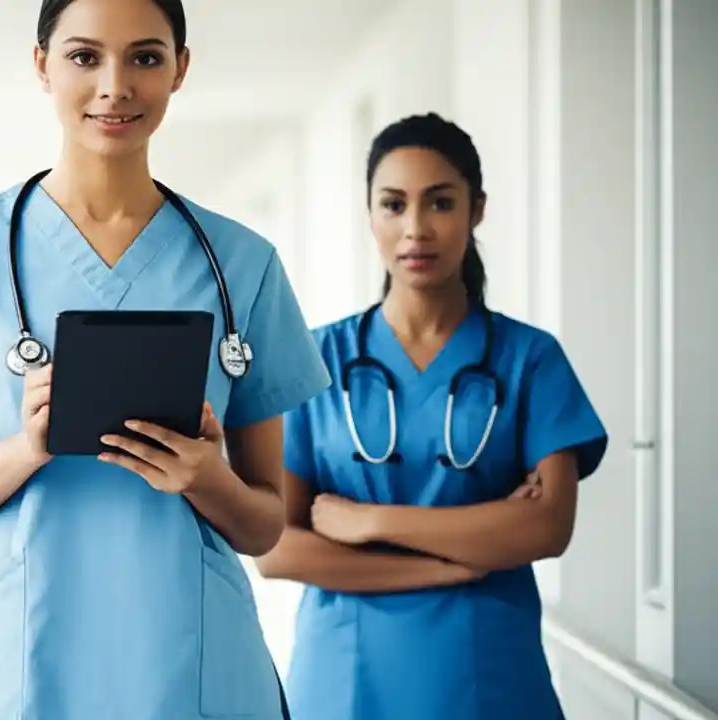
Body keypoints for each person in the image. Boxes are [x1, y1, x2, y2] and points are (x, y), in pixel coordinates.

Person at [0, 0, 328, 717]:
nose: (114, 85)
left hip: (194, 672)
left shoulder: (243, 264)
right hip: (18, 672)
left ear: (180, 69)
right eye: (83, 57)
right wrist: (24, 449)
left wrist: (206, 477)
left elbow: (264, 526)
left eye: (145, 57)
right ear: (41, 65)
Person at [255, 112, 608, 719]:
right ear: (370, 215)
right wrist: (453, 566)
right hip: (347, 683)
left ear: (477, 209)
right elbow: (277, 548)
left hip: (489, 675)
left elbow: (547, 528)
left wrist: (368, 520)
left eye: (440, 203)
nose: (415, 228)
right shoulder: (315, 360)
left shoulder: (529, 360)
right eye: (393, 205)